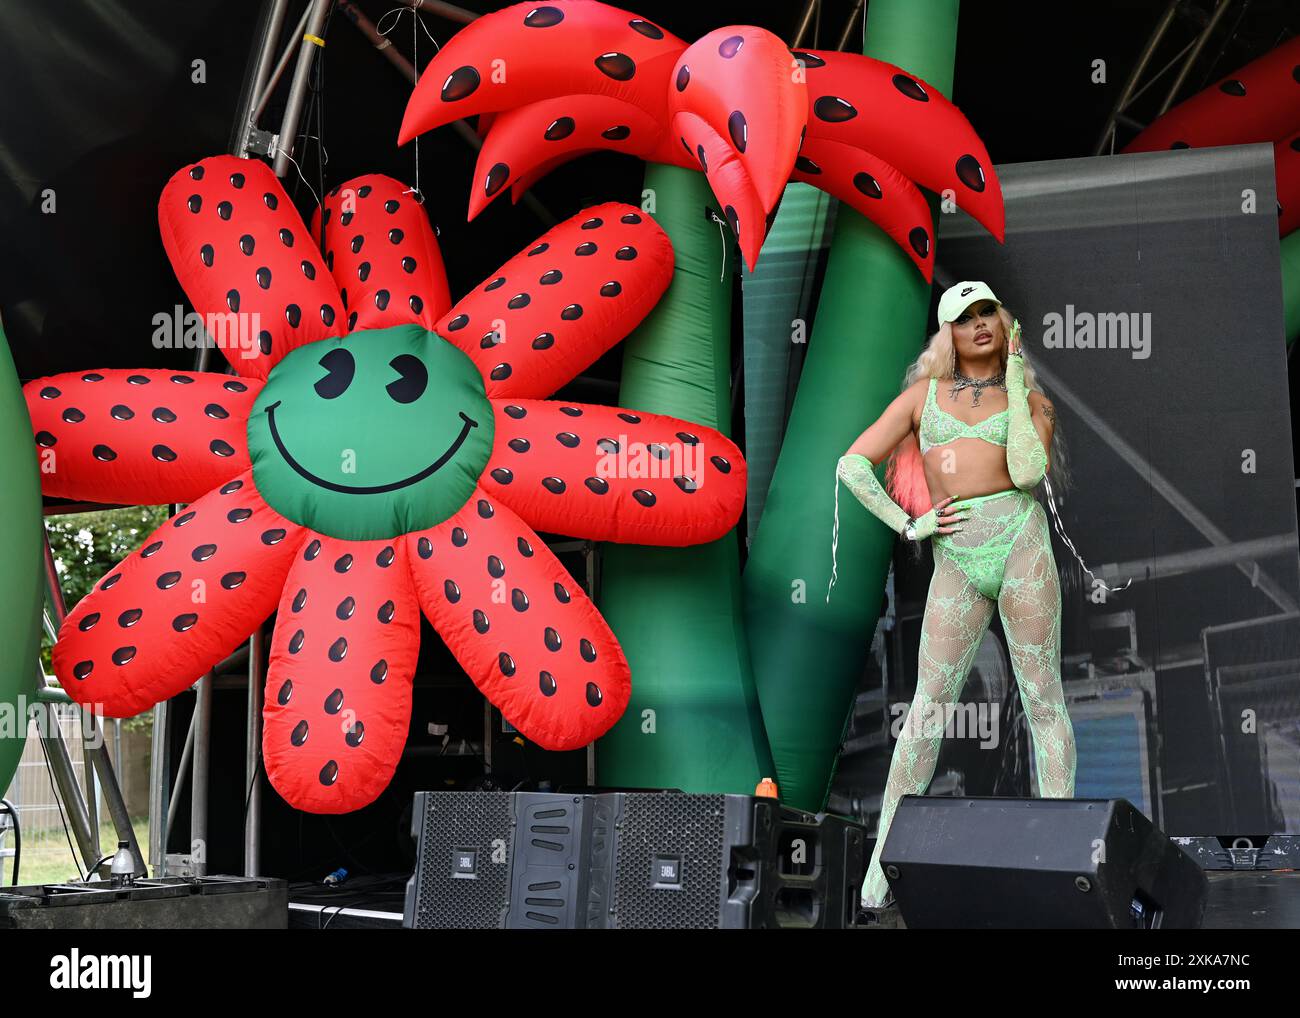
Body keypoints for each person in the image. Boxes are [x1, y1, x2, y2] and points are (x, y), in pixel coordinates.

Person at [832, 280, 1076, 911]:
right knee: (926, 710)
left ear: (1003, 320)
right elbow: (852, 465)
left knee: (1043, 699)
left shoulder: (1035, 400)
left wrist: (1017, 373)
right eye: (963, 318)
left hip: (1021, 543)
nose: (978, 324)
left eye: (986, 312)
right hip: (959, 556)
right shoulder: (922, 398)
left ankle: (1063, 854)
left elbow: (1025, 472)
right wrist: (907, 523)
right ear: (949, 333)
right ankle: (882, 870)